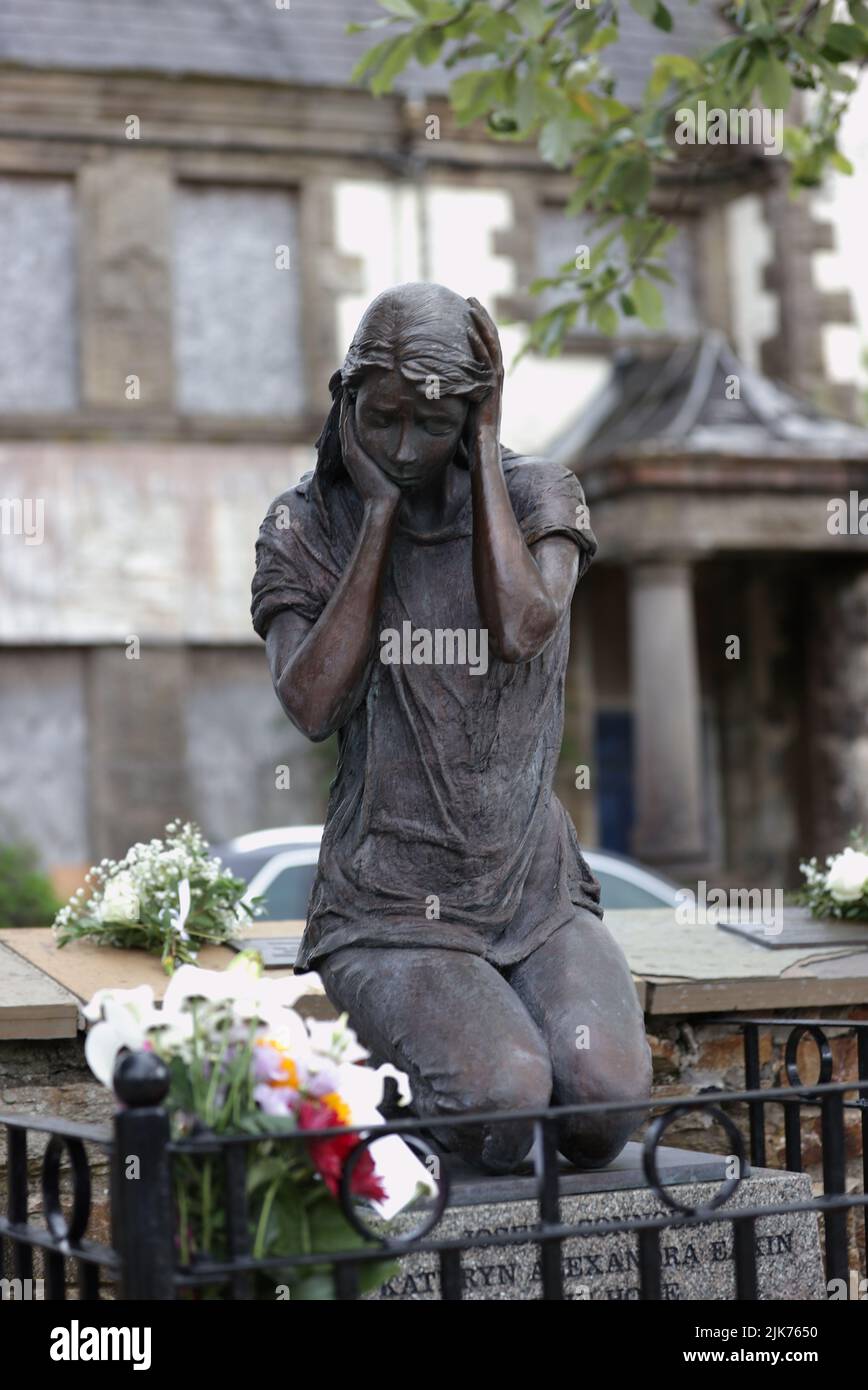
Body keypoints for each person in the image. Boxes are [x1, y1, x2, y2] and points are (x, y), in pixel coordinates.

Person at [251, 283, 651, 1173]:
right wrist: (380, 517)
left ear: (476, 412)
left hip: (533, 896)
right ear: (345, 402)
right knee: (502, 1104)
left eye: (430, 424)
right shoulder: (303, 523)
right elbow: (312, 703)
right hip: (388, 909)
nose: (400, 447)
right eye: (380, 417)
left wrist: (479, 442)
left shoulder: (539, 495)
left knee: (602, 1103)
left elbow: (520, 628)